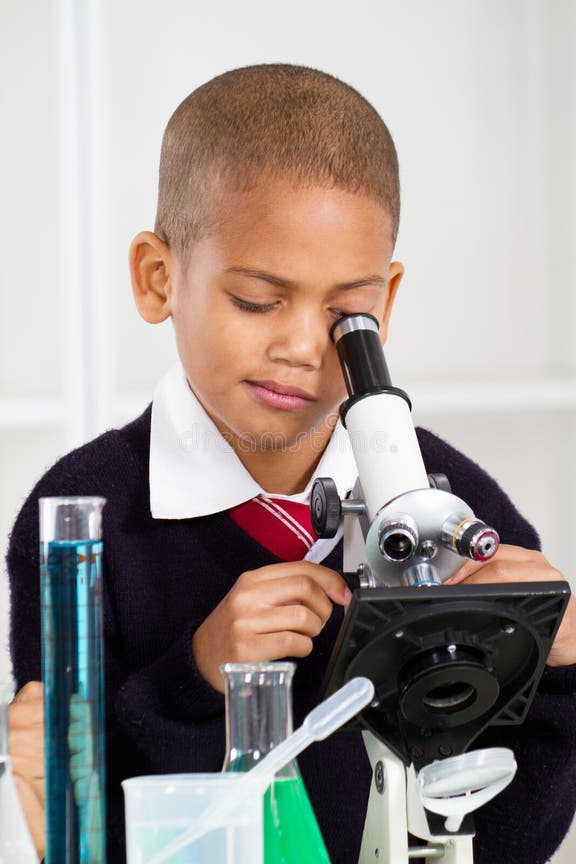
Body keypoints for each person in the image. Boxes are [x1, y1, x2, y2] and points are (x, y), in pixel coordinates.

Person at [6, 64, 576, 864]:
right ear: (158, 279)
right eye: (256, 300)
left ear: (387, 301)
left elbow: (512, 834)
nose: (304, 347)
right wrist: (197, 675)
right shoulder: (84, 515)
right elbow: (82, 822)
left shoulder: (453, 501)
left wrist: (561, 669)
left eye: (347, 313)